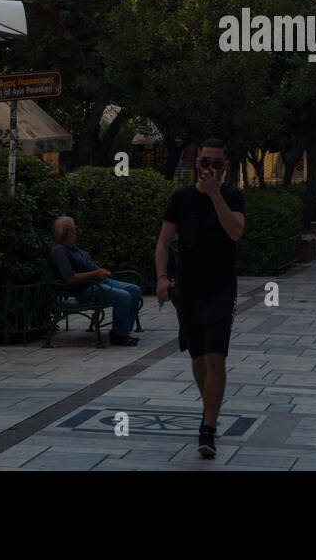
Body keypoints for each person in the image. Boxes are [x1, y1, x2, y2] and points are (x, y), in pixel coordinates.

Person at [154, 138, 246, 459]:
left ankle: (207, 428)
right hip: (189, 290)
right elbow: (164, 243)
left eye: (216, 164)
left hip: (221, 288)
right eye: (205, 162)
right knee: (197, 360)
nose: (209, 168)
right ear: (198, 164)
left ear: (225, 167)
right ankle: (211, 412)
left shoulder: (233, 196)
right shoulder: (181, 198)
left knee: (215, 357)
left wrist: (216, 194)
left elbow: (236, 231)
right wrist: (162, 278)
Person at [50, 216, 142, 346]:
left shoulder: (70, 246)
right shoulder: (59, 251)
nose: (76, 232)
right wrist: (96, 273)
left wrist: (100, 271)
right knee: (124, 297)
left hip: (98, 282)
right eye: (75, 229)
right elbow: (69, 278)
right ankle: (119, 336)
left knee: (135, 290)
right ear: (69, 233)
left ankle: (124, 331)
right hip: (86, 290)